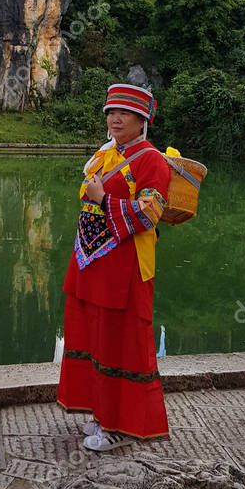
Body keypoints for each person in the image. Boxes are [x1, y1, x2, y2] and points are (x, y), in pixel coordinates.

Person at [57, 82, 171, 451]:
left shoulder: (151, 160)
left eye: (124, 113)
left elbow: (151, 212)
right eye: (110, 112)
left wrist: (104, 198)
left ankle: (122, 427)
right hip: (93, 264)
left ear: (142, 120)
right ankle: (101, 414)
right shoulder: (106, 156)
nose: (115, 118)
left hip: (125, 270)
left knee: (121, 341)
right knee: (94, 337)